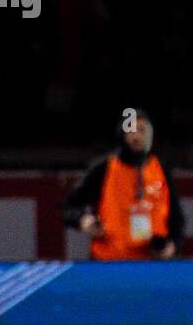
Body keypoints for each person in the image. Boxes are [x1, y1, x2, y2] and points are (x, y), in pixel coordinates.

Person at [63, 110, 185, 260]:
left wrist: (172, 246)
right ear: (123, 133)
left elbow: (176, 218)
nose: (136, 136)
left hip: (152, 262)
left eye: (142, 130)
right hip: (110, 261)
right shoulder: (105, 168)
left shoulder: (160, 169)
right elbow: (68, 206)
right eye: (131, 130)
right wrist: (82, 220)